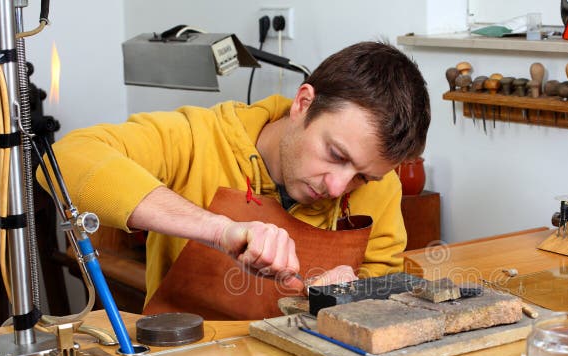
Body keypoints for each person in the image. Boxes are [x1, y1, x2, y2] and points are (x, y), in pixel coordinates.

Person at [40, 41, 430, 318]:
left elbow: (383, 282)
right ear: (303, 103)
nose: (337, 188)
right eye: (336, 155)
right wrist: (219, 229)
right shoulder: (197, 138)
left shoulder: (378, 182)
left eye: (362, 176)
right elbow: (62, 162)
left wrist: (349, 294)